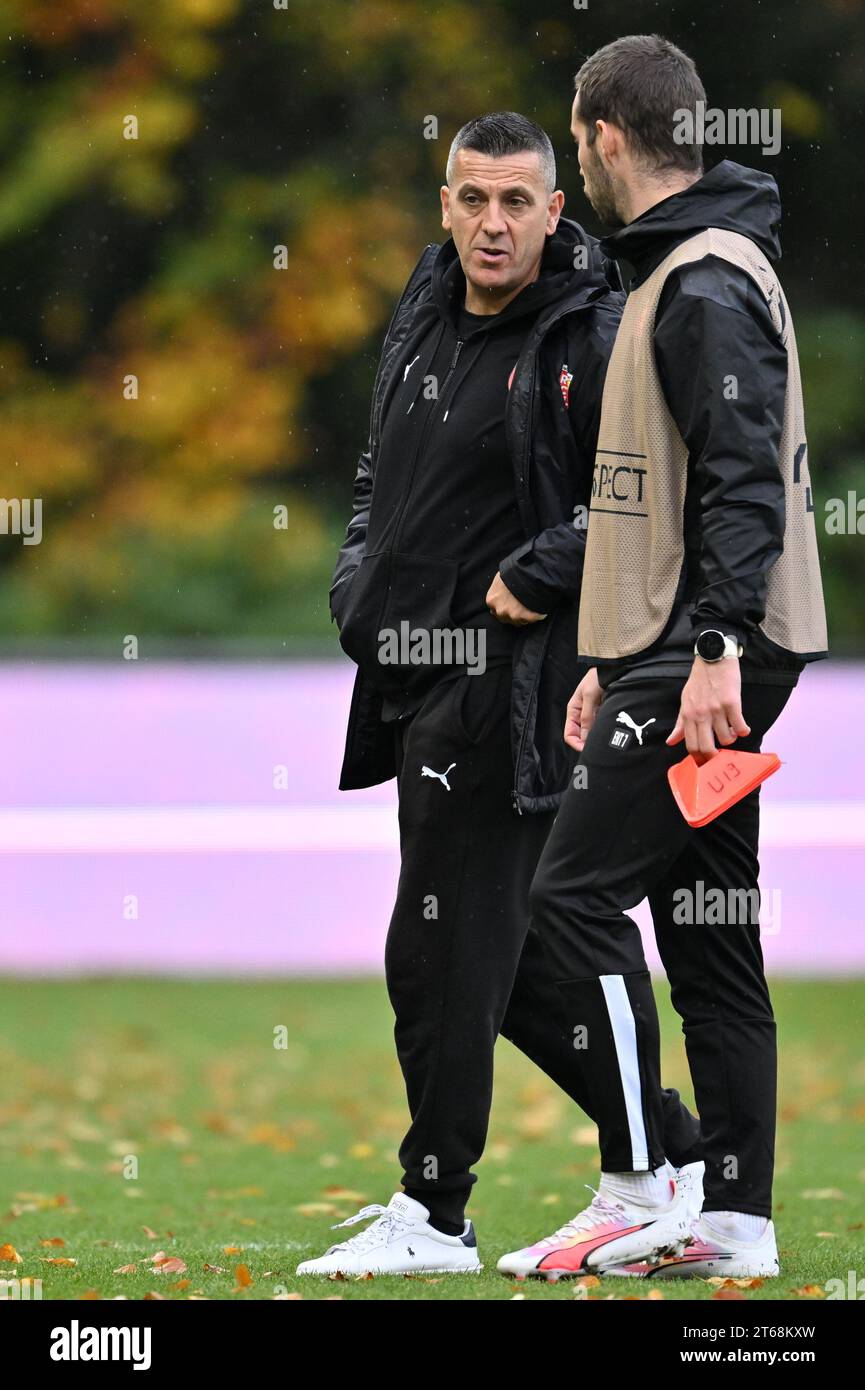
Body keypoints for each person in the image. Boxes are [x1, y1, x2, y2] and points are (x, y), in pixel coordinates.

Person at [297, 111, 704, 1278]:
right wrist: (357, 577)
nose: (491, 222)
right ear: (444, 204)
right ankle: (671, 1151)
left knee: (433, 953)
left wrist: (536, 574)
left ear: (552, 211)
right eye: (471, 198)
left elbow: (642, 493)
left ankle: (434, 1210)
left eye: (516, 200)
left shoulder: (595, 330)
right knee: (514, 963)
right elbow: (381, 468)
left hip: (509, 688)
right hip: (409, 678)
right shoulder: (424, 309)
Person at [499, 36, 827, 1281]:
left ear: (601, 139)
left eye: (574, 144)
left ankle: (642, 1180)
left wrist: (703, 652)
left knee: (567, 905)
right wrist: (615, 646)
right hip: (689, 642)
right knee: (708, 934)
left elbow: (740, 489)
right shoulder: (703, 266)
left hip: (718, 647)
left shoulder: (695, 283)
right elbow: (677, 495)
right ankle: (734, 1224)